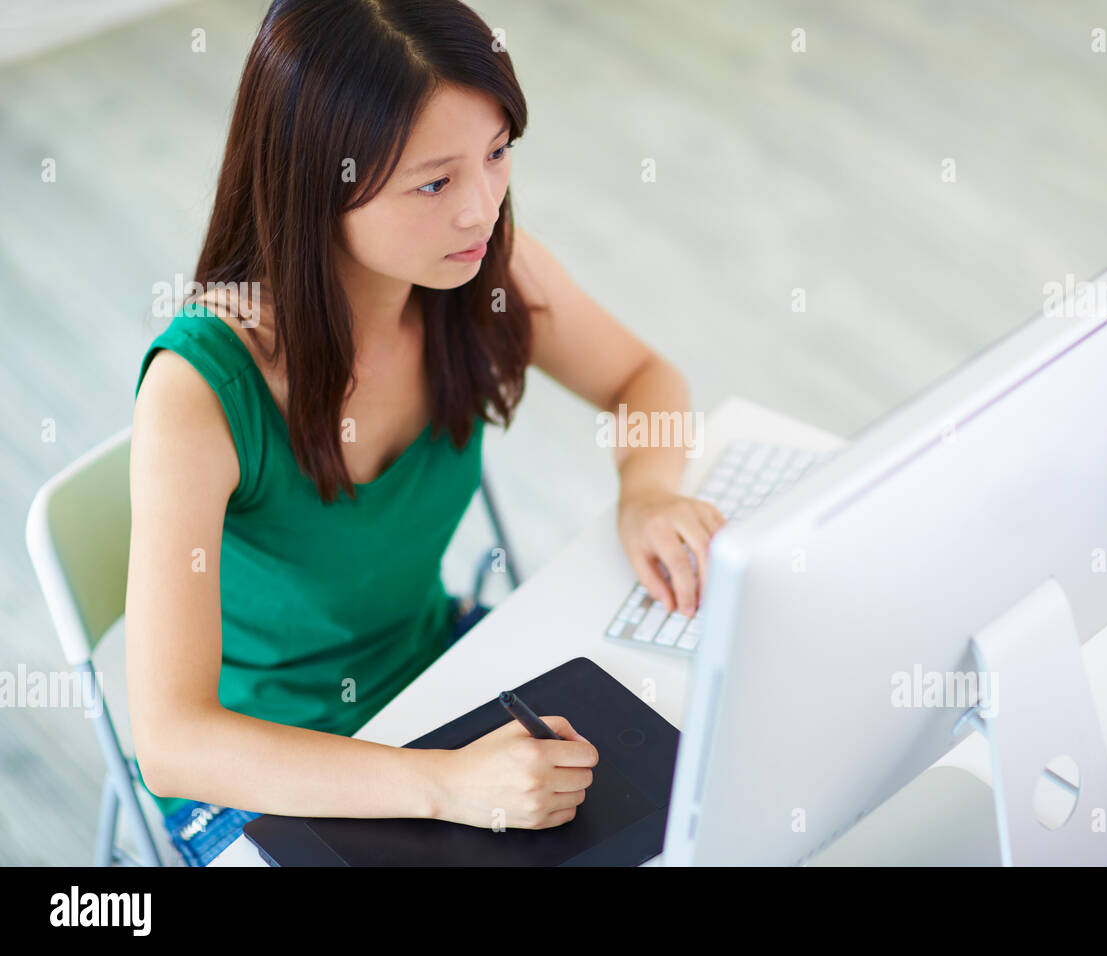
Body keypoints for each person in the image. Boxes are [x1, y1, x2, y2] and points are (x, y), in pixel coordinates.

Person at [126, 0, 724, 866]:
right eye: (434, 182)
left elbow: (644, 380)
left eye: (497, 154)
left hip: (436, 678)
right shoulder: (199, 391)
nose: (481, 211)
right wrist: (443, 785)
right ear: (314, 183)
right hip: (259, 781)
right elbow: (173, 741)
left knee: (695, 792)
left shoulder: (482, 276)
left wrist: (650, 490)